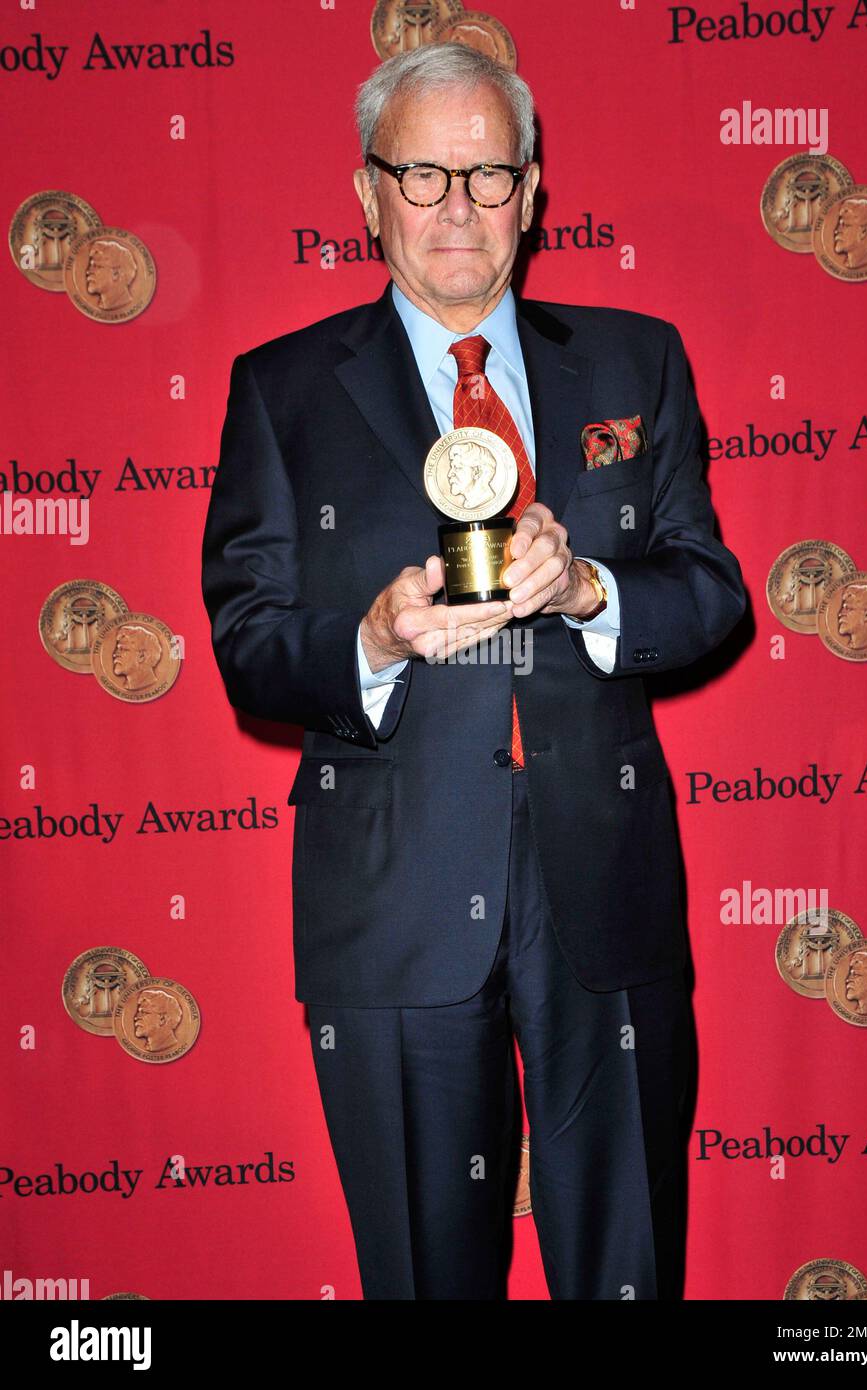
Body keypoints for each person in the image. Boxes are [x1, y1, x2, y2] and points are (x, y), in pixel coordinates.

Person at [201, 40, 746, 1301]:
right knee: (424, 1270)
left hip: (599, 880)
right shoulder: (281, 390)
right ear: (367, 193)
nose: (457, 208)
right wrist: (374, 641)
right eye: (424, 175)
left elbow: (710, 590)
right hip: (391, 895)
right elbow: (247, 635)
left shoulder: (633, 361)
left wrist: (592, 589)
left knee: (630, 1263)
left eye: (488, 175)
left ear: (534, 189)